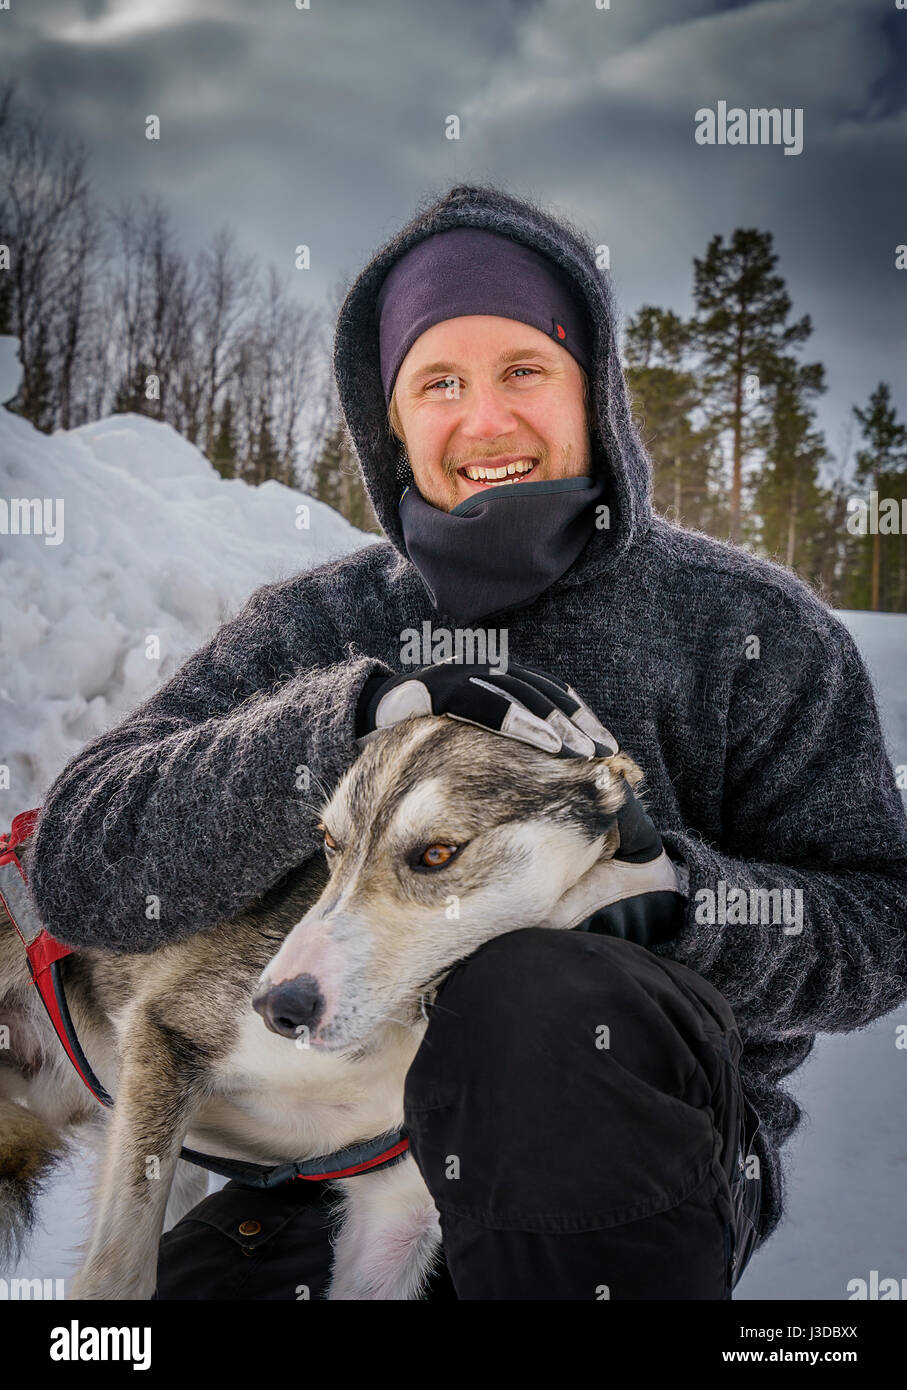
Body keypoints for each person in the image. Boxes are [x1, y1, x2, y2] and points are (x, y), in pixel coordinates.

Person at [27, 182, 907, 1300]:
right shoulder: (316, 627)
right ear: (390, 420)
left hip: (632, 1145)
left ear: (594, 391)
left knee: (536, 993)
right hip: (328, 1157)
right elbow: (80, 864)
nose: (485, 421)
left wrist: (667, 899)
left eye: (523, 371)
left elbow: (883, 926)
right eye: (439, 382)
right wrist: (347, 723)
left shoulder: (751, 631)